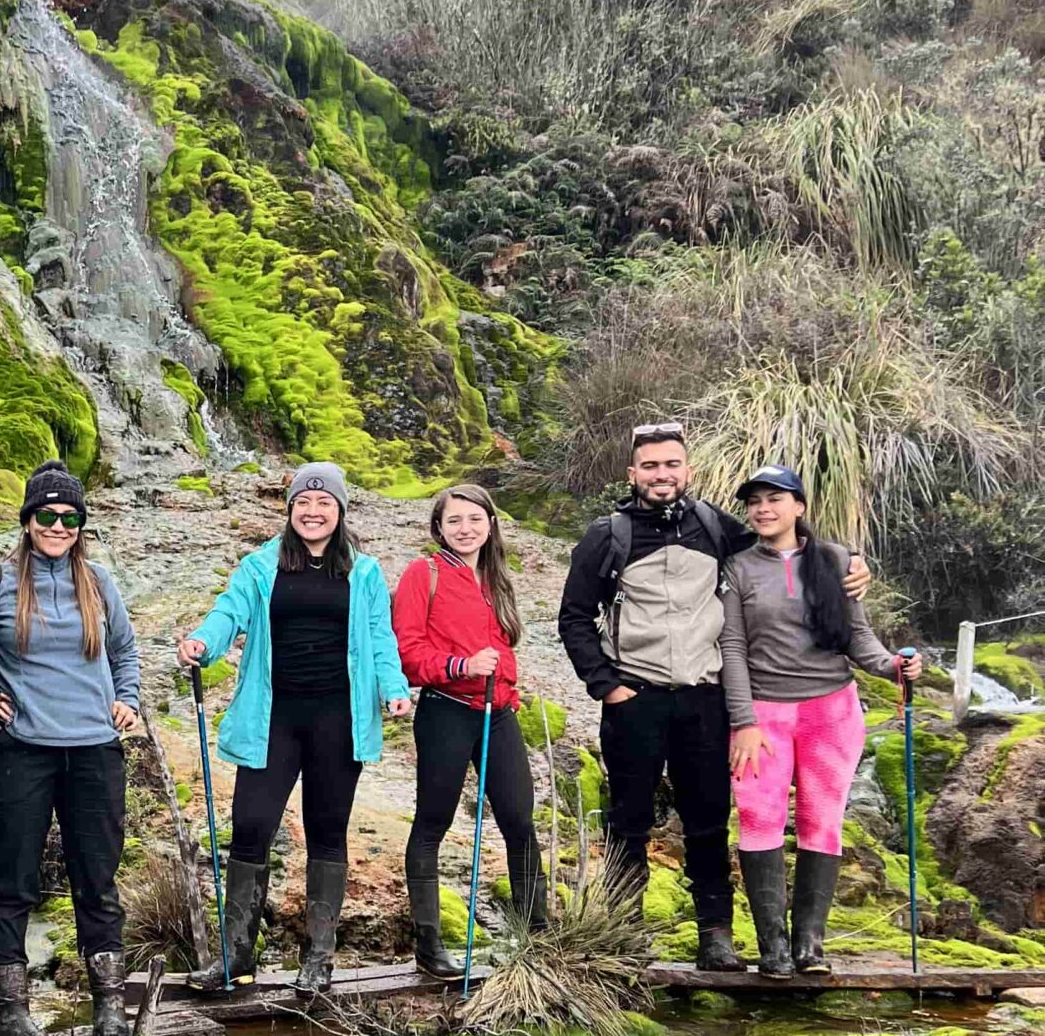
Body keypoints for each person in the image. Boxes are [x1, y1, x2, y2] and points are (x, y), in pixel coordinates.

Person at [557, 420, 870, 970]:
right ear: (633, 474)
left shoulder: (715, 526)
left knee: (707, 819)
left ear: (688, 470)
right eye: (650, 466)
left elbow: (784, 546)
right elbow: (575, 617)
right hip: (636, 698)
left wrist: (851, 562)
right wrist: (606, 686)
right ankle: (624, 935)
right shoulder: (608, 535)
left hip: (706, 700)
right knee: (628, 819)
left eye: (671, 464)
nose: (661, 475)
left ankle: (716, 937)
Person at [175, 462, 410, 992]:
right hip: (273, 715)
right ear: (290, 510)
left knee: (327, 831)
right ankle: (236, 957)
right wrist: (202, 643)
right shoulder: (260, 565)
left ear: (340, 511)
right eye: (303, 502)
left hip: (337, 718)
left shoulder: (365, 573)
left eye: (324, 503)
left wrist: (393, 687)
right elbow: (227, 613)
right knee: (252, 826)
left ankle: (317, 961)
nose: (312, 510)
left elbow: (380, 638)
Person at [722, 464, 918, 975]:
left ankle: (810, 947)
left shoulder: (835, 560)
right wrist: (743, 721)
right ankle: (773, 949)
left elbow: (858, 638)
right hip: (762, 716)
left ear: (799, 507)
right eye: (755, 501)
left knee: (822, 821)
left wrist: (895, 666)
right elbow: (733, 648)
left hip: (832, 712)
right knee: (758, 819)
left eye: (775, 499)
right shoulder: (738, 567)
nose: (764, 509)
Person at [0, 464, 143, 1036]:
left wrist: (127, 699)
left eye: (70, 517)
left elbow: (124, 650)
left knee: (96, 879)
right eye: (46, 515)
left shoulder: (98, 581)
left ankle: (109, 1006)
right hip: (21, 749)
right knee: (13, 881)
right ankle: (14, 1013)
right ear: (26, 521)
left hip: (95, 748)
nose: (58, 526)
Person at [391, 482, 544, 979]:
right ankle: (430, 947)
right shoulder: (424, 573)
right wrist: (461, 665)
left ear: (491, 524)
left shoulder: (496, 577)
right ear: (438, 527)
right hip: (445, 711)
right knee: (433, 822)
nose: (465, 528)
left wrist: (509, 691)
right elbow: (407, 655)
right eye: (454, 521)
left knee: (519, 820)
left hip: (497, 715)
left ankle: (535, 936)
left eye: (475, 519)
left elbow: (504, 649)